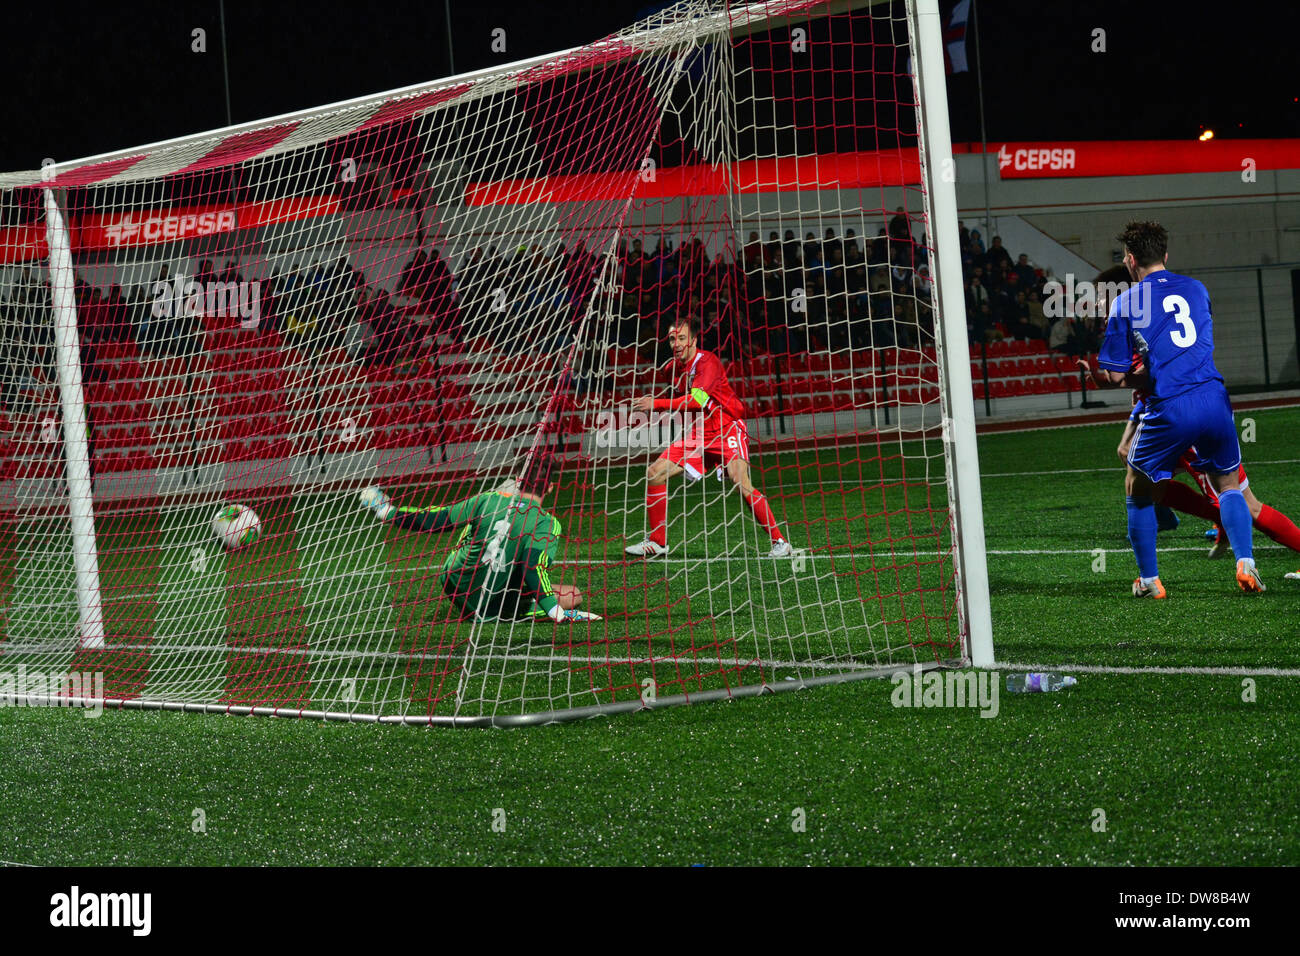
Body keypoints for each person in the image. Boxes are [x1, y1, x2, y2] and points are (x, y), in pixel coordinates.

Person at [1092, 221, 1263, 595]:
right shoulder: (1198, 289)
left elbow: (1117, 376)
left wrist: (1099, 376)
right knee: (1229, 485)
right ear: (1165, 256)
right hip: (1215, 399)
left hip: (1171, 406)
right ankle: (1246, 562)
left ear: (1131, 260)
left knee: (1136, 486)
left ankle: (1150, 580)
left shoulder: (1126, 302)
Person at [358, 453, 599, 622]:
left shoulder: (488, 499)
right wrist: (554, 611)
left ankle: (477, 579)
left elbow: (438, 520)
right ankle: (509, 606)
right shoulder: (547, 523)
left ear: (517, 481)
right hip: (490, 603)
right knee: (573, 594)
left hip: (454, 582)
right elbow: (531, 566)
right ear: (550, 488)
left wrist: (389, 511)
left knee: (478, 526)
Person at [624, 316, 790, 558]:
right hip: (701, 435)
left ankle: (780, 541)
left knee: (739, 480)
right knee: (654, 472)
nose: (676, 343)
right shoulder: (674, 368)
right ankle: (657, 541)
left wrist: (656, 404)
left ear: (693, 340)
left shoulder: (707, 362)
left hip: (727, 429)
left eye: (681, 338)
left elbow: (698, 399)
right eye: (672, 339)